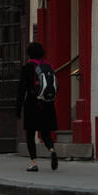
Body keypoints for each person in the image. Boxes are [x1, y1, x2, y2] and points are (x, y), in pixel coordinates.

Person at [16, 42, 59, 172]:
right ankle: (52, 150)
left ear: (29, 53)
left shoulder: (27, 67)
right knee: (46, 134)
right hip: (47, 104)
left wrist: (18, 109)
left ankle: (34, 163)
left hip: (32, 104)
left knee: (30, 135)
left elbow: (21, 89)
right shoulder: (48, 66)